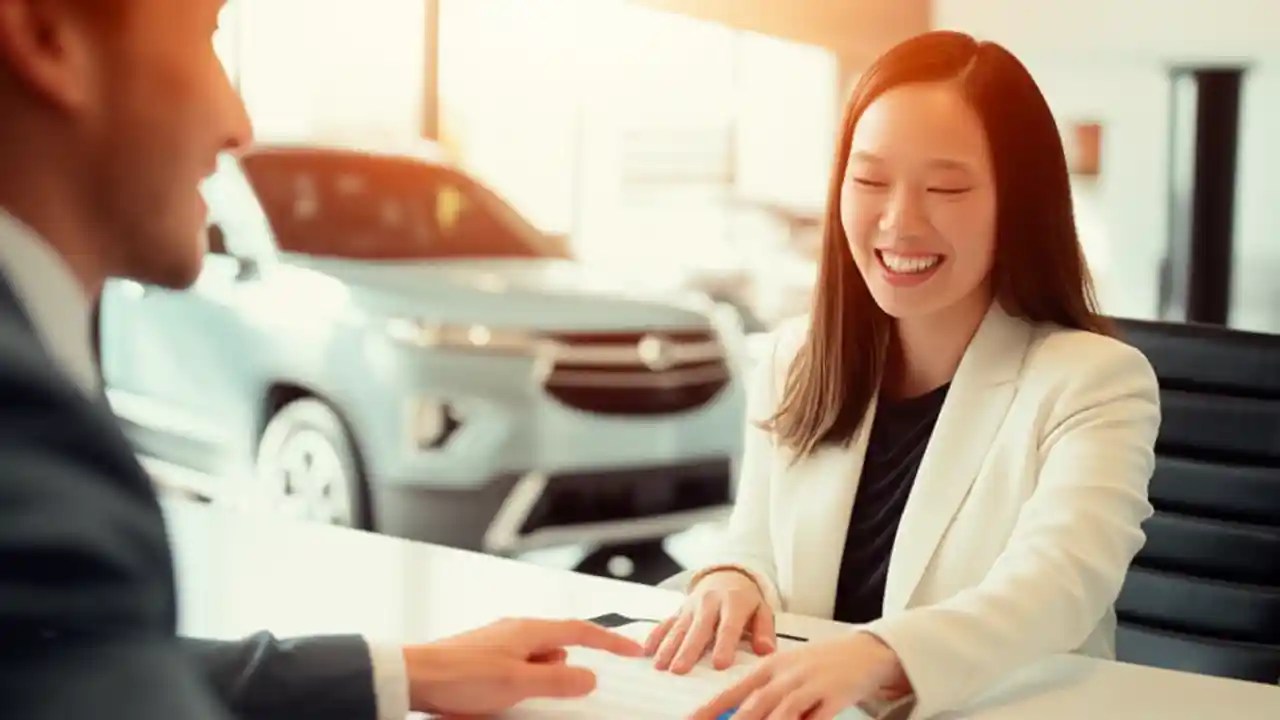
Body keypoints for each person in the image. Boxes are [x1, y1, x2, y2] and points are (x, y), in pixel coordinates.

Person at [0, 1, 642, 719]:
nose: (237, 121)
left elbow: (59, 651)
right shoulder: (27, 431)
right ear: (47, 34)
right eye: (207, 33)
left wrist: (404, 671)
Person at [646, 30, 1161, 720]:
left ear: (1018, 203)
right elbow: (757, 541)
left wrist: (882, 654)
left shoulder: (1095, 381)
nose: (898, 222)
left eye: (945, 187)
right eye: (869, 180)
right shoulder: (794, 357)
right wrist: (733, 579)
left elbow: (1057, 585)